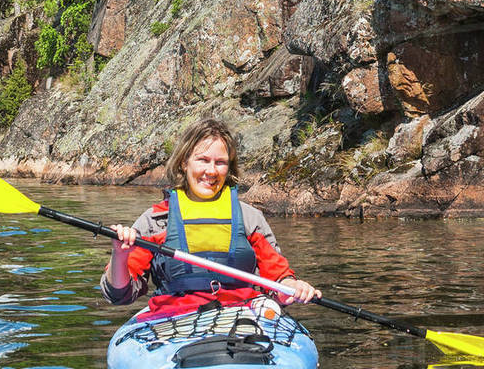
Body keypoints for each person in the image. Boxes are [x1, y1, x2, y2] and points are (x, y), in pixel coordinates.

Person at [101, 116, 320, 317]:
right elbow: (120, 295)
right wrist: (119, 256)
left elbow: (278, 279)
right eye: (203, 160)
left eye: (220, 162)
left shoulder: (250, 218)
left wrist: (292, 288)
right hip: (175, 319)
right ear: (184, 163)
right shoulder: (156, 220)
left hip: (241, 317)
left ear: (229, 167)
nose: (212, 171)